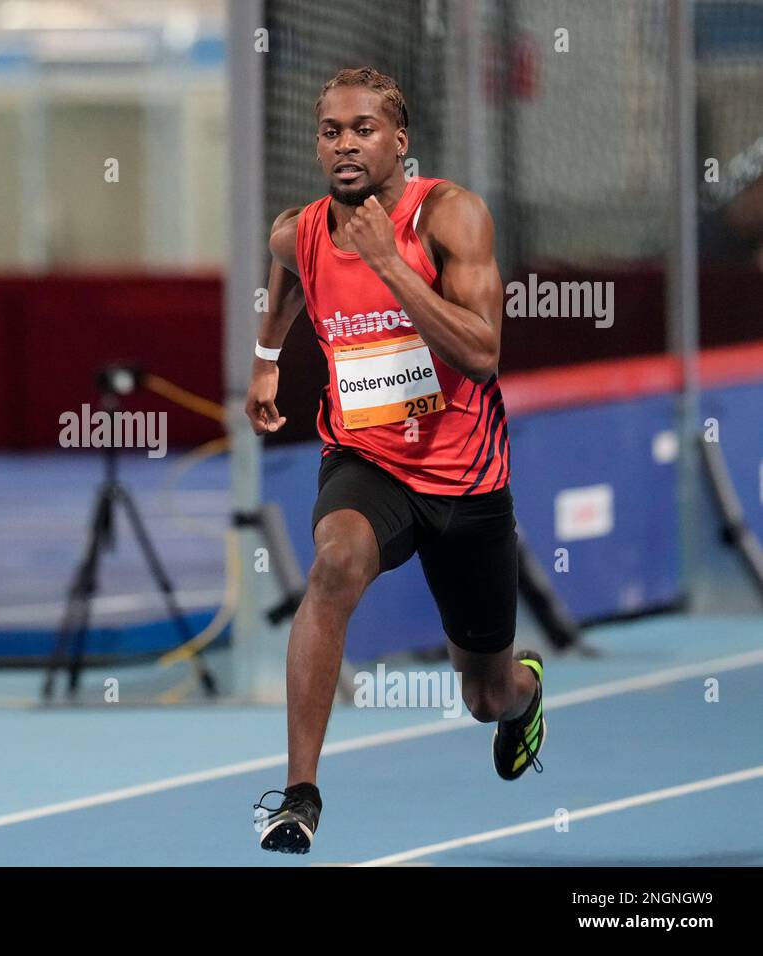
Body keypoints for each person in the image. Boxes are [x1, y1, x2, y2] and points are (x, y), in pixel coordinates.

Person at [248, 67, 544, 855]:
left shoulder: (450, 217)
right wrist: (266, 359)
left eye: (363, 129)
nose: (344, 143)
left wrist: (388, 264)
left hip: (467, 481)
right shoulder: (301, 229)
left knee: (484, 692)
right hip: (367, 460)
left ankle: (524, 695)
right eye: (330, 131)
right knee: (334, 563)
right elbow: (282, 275)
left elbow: (482, 353)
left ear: (399, 142)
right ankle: (301, 794)